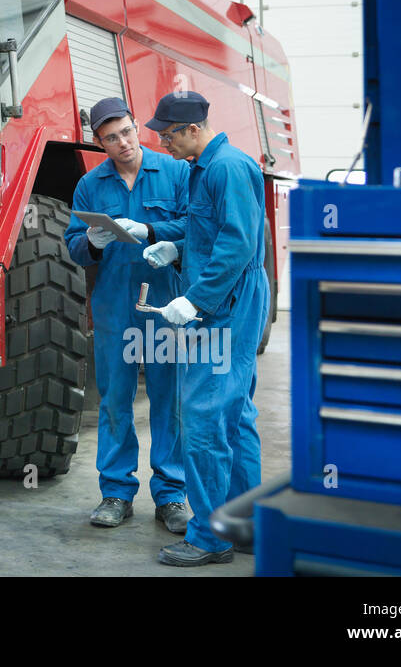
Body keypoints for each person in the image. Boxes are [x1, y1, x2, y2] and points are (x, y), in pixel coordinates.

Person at [140, 90, 269, 567]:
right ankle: (246, 523)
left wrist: (195, 299)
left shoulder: (226, 168)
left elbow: (237, 246)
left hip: (227, 304)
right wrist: (173, 245)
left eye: (168, 134)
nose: (163, 142)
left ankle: (211, 536)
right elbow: (209, 232)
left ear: (193, 130)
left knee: (203, 416)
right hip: (230, 298)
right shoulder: (205, 168)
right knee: (235, 414)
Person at [64, 97, 190, 537]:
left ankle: (172, 495)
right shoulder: (90, 185)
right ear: (99, 142)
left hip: (164, 304)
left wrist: (160, 234)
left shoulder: (175, 171)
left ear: (138, 127)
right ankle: (116, 493)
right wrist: (93, 241)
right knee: (115, 401)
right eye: (111, 137)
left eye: (127, 132)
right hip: (116, 307)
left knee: (168, 400)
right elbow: (73, 243)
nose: (123, 143)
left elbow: (197, 225)